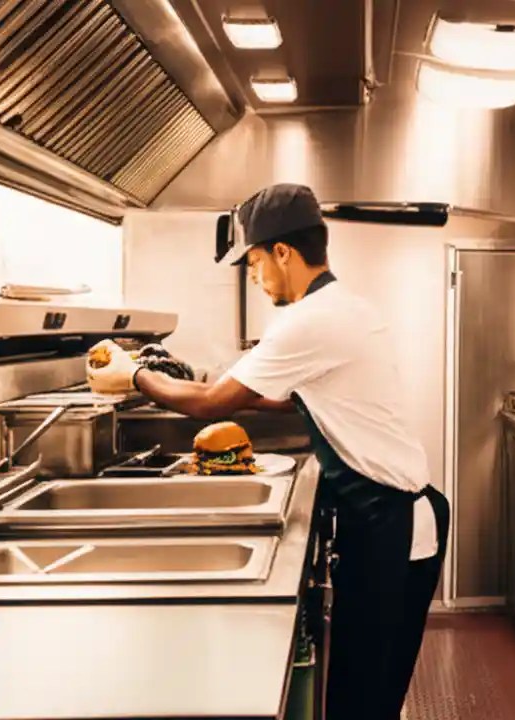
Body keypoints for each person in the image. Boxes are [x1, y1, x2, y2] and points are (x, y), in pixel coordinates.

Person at [87, 183, 449, 719]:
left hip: (388, 518)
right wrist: (208, 381)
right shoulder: (337, 307)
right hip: (387, 513)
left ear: (283, 252)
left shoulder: (311, 319)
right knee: (367, 686)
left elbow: (214, 404)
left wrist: (134, 375)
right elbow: (286, 396)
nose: (253, 278)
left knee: (362, 696)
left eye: (254, 263)